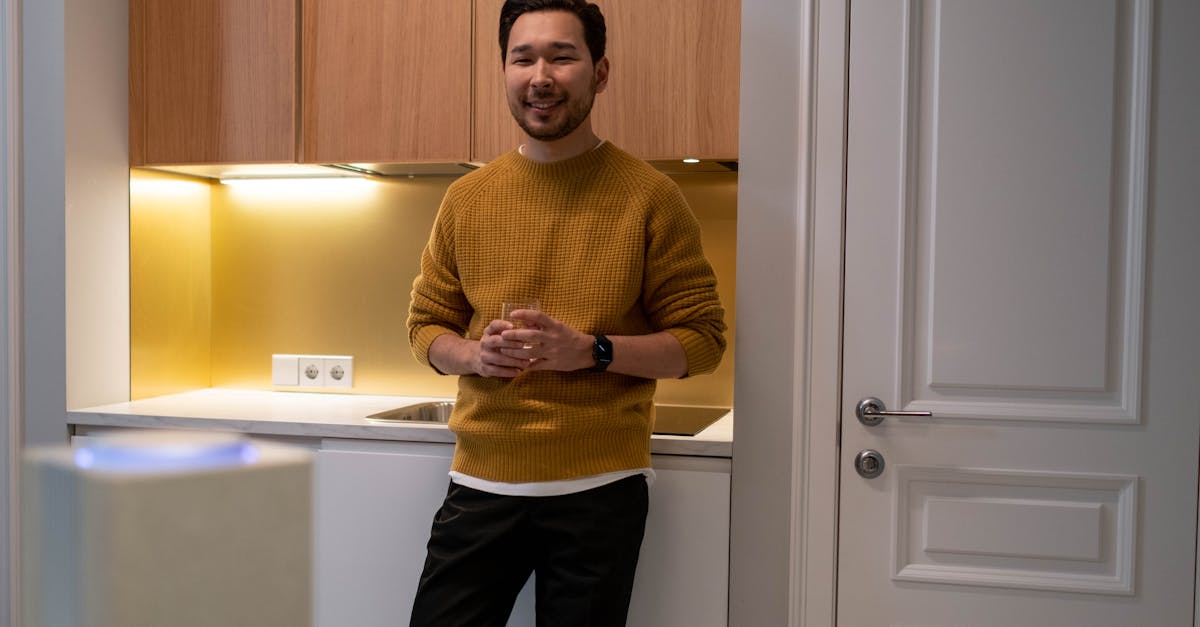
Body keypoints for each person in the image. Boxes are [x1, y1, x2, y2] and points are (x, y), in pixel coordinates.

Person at [405, 0, 727, 624]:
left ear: (599, 73)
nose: (540, 75)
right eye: (522, 57)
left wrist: (593, 350)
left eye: (562, 56)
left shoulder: (650, 197)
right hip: (482, 483)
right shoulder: (467, 199)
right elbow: (425, 327)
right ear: (504, 71)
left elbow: (703, 340)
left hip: (600, 492)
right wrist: (473, 353)